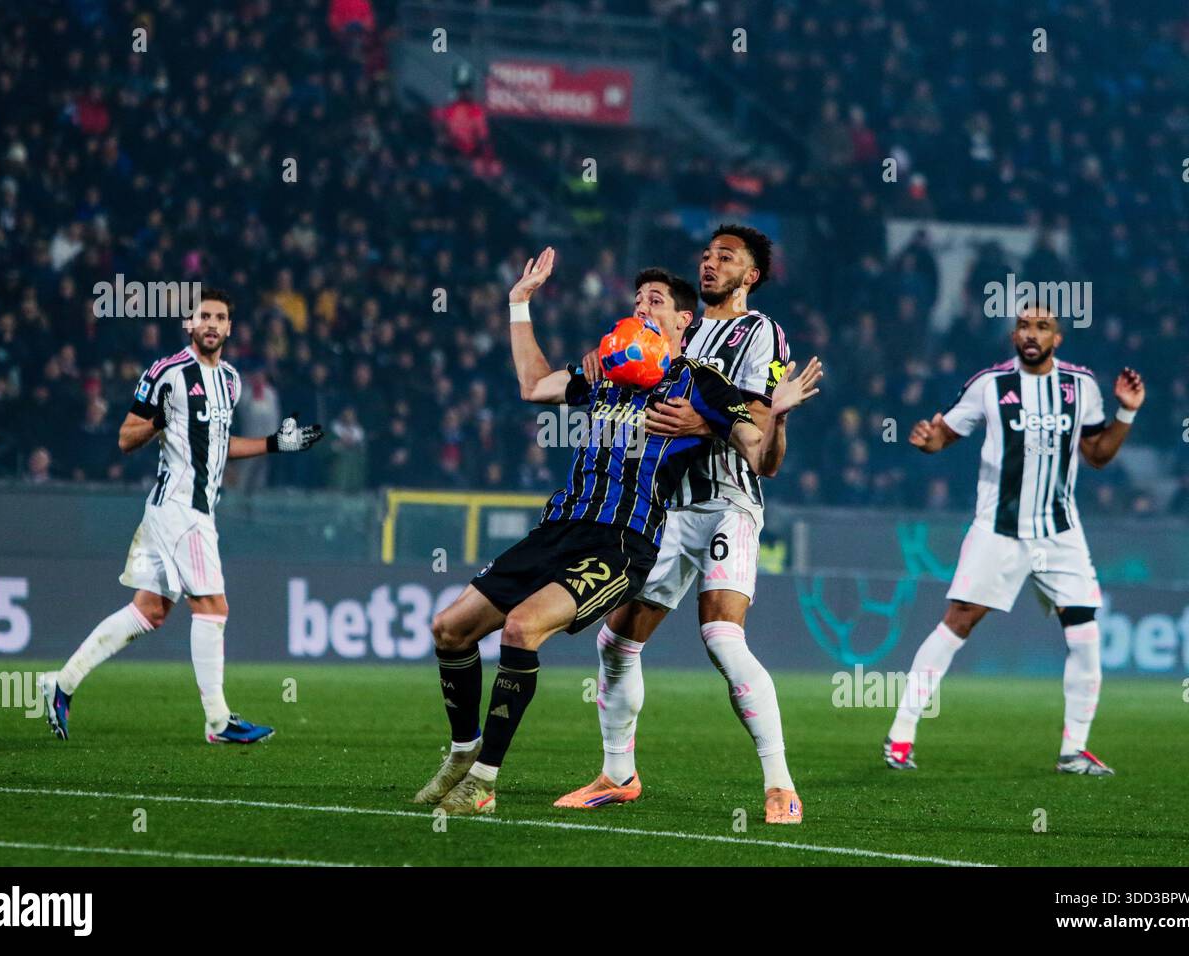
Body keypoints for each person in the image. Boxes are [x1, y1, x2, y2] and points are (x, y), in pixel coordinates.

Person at [415, 248, 821, 815]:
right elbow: (534, 386)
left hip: (623, 540)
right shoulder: (609, 363)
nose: (640, 307)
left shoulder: (699, 381)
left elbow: (759, 452)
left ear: (686, 321)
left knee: (523, 630)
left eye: (655, 300)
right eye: (636, 300)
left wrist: (774, 413)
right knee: (449, 629)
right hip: (558, 528)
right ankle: (470, 756)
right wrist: (519, 305)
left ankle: (483, 782)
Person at [561, 225, 816, 825]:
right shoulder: (678, 331)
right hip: (666, 508)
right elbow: (632, 387)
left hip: (729, 499)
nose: (710, 263)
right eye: (706, 254)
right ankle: (618, 775)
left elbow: (758, 425)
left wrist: (703, 425)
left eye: (726, 257)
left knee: (722, 639)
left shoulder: (761, 332)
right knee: (616, 642)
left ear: (750, 276)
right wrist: (601, 363)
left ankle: (780, 785)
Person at [39, 290, 324, 743]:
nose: (211, 323)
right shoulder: (166, 373)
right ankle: (217, 721)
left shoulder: (231, 381)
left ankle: (62, 683)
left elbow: (221, 446)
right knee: (213, 607)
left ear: (230, 328)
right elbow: (125, 438)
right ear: (190, 325)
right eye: (204, 316)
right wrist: (160, 420)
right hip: (180, 508)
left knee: (150, 612)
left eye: (220, 318)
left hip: (190, 509)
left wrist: (275, 444)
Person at [883, 305, 1145, 775]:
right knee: (957, 622)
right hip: (999, 529)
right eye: (1024, 325)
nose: (1030, 333)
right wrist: (927, 440)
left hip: (1060, 531)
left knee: (1086, 636)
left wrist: (1126, 410)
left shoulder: (1080, 386)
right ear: (1014, 334)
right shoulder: (990, 384)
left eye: (1042, 327)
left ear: (1057, 338)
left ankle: (1073, 750)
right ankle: (901, 735)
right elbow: (945, 434)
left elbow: (1098, 455)